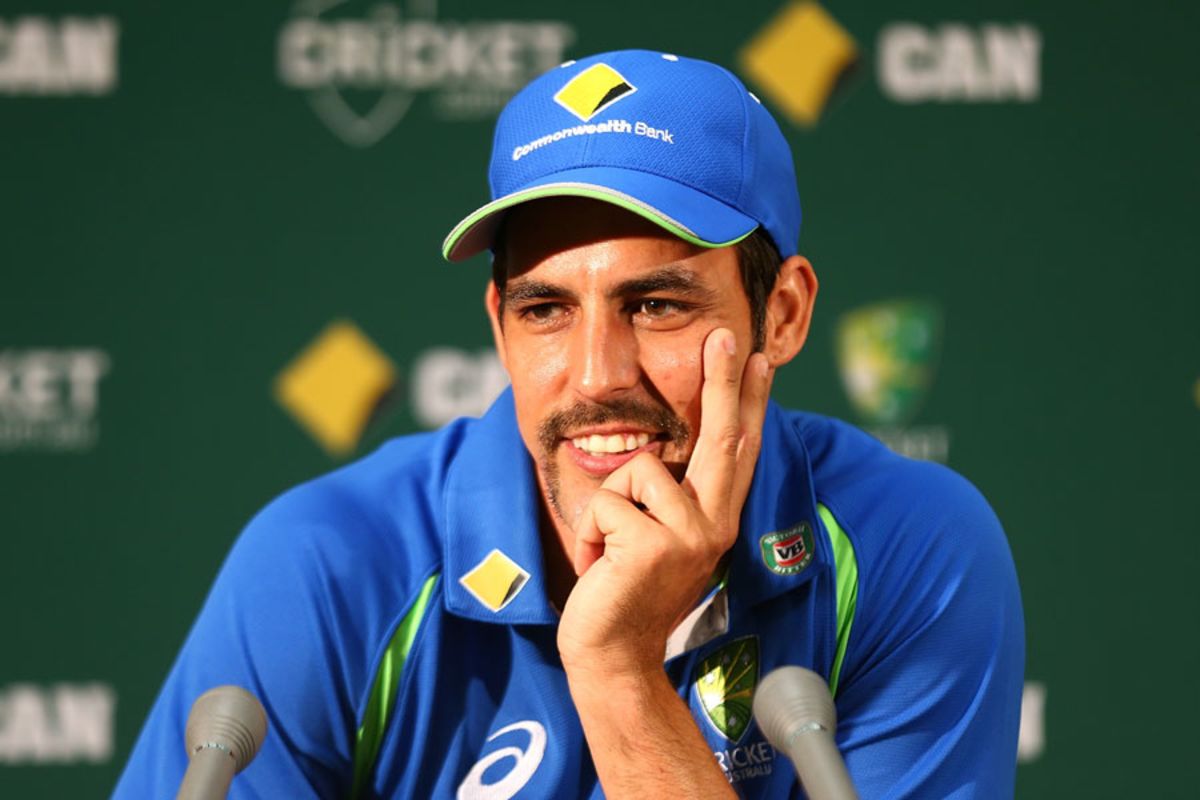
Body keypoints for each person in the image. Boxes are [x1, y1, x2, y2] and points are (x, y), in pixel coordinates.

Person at [115, 50, 1023, 798]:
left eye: (658, 304)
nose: (595, 377)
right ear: (498, 329)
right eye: (545, 310)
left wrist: (617, 662)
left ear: (781, 314)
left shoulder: (906, 544)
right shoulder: (328, 563)